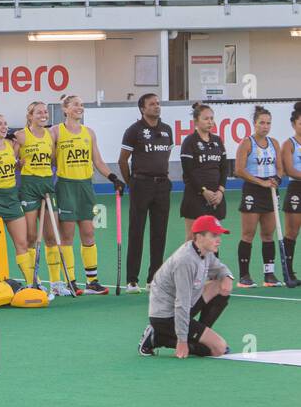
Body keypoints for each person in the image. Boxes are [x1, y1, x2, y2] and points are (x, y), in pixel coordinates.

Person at [52, 94, 125, 294]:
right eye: (76, 104)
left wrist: (113, 178)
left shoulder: (89, 133)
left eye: (82, 105)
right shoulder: (56, 132)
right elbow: (47, 158)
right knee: (67, 235)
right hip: (66, 186)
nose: (80, 107)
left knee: (89, 232)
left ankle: (92, 281)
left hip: (85, 186)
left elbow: (98, 161)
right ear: (65, 109)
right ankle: (70, 281)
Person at [138, 215, 233, 358]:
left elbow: (219, 268)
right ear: (199, 237)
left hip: (183, 310)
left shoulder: (204, 252)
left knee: (220, 285)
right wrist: (182, 340)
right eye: (214, 235)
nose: (218, 240)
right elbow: (181, 303)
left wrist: (227, 277)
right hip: (166, 317)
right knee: (218, 349)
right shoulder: (185, 261)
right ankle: (156, 337)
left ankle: (198, 333)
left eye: (219, 235)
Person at [118, 93, 175, 290]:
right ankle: (132, 279)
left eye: (158, 103)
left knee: (159, 233)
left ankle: (154, 278)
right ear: (143, 108)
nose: (157, 107)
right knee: (136, 232)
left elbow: (165, 156)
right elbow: (122, 160)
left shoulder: (167, 130)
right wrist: (130, 183)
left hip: (162, 186)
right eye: (152, 104)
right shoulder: (133, 131)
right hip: (140, 185)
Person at [15, 100, 62, 290]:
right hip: (29, 185)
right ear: (30, 116)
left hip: (47, 185)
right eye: (38, 112)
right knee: (31, 236)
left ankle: (56, 282)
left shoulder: (50, 135)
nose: (43, 115)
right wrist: (19, 163)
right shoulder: (21, 135)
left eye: (45, 112)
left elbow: (54, 159)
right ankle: (34, 280)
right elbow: (12, 159)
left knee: (51, 235)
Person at [0, 113, 33, 284]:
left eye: (5, 124)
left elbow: (14, 165)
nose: (4, 127)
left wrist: (18, 165)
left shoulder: (12, 145)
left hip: (12, 196)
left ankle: (32, 281)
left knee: (22, 243)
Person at [234, 105, 282, 287]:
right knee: (248, 234)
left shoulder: (274, 143)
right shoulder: (247, 143)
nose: (265, 126)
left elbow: (279, 167)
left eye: (268, 123)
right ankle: (244, 276)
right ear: (254, 124)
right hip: (253, 191)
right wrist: (260, 182)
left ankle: (269, 275)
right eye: (262, 123)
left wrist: (277, 178)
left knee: (268, 234)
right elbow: (239, 170)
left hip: (270, 190)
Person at [180, 102, 232, 240]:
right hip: (195, 197)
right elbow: (188, 172)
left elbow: (224, 168)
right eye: (206, 118)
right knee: (193, 239)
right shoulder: (189, 142)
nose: (210, 122)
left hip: (216, 197)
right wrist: (203, 191)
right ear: (196, 121)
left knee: (213, 238)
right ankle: (190, 263)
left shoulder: (217, 140)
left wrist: (220, 191)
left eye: (212, 118)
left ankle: (212, 263)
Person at [280, 102, 301, 282]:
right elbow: (289, 169)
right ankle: (289, 273)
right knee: (292, 232)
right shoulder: (289, 144)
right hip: (296, 189)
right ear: (294, 124)